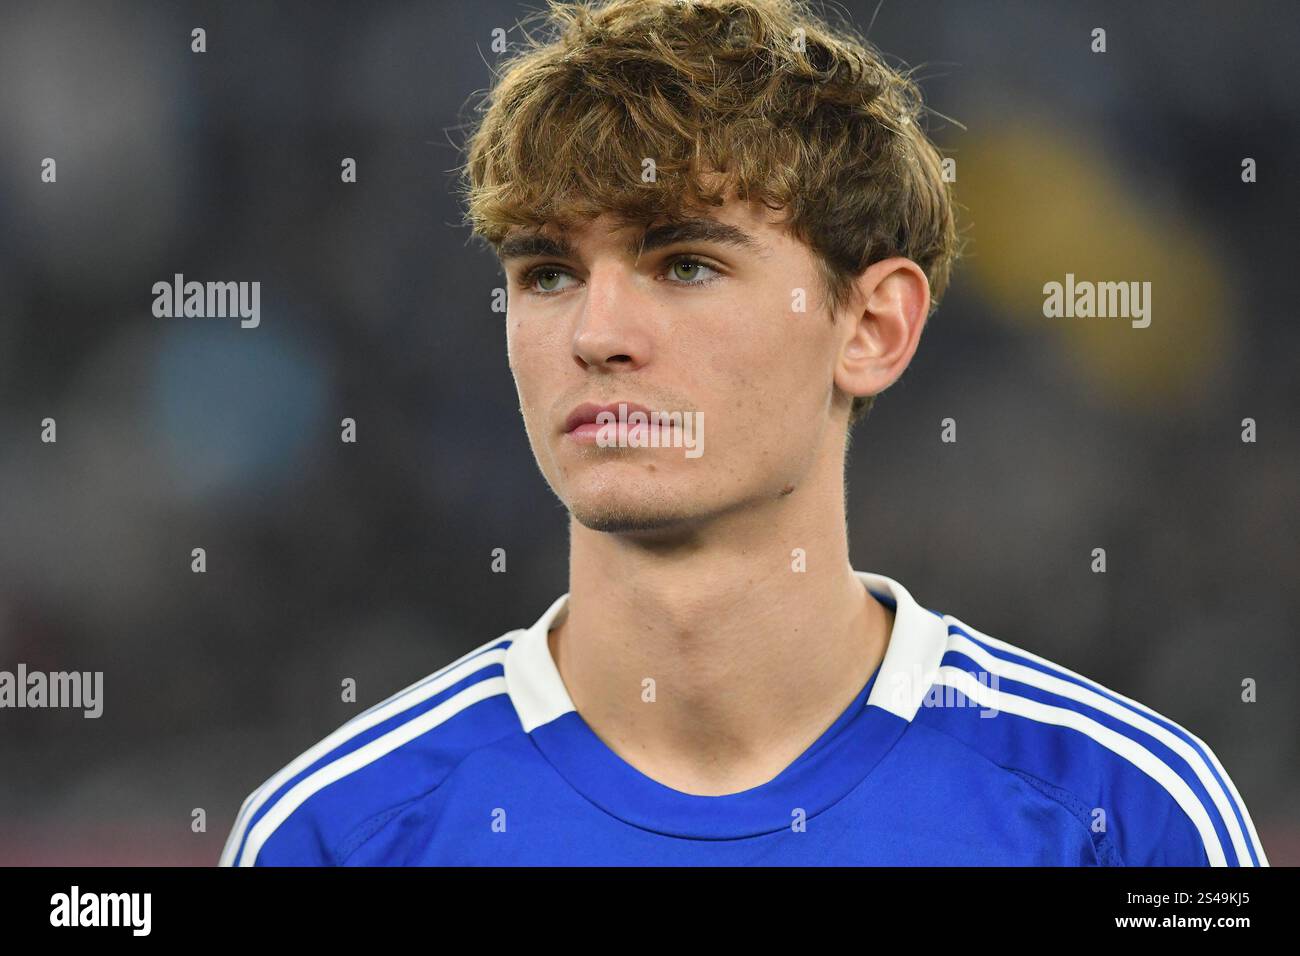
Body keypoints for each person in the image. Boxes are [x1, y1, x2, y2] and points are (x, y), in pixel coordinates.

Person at [220, 0, 1267, 866]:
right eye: (547, 272)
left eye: (685, 263)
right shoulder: (333, 837)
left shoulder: (1127, 821)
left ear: (871, 326)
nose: (597, 334)